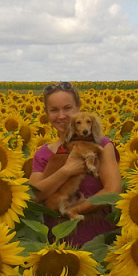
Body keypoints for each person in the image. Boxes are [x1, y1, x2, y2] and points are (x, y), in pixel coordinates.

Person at [29, 81, 121, 247]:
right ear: (47, 113)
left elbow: (113, 190)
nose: (62, 116)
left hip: (97, 242)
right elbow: (33, 196)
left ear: (78, 107)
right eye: (54, 110)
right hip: (58, 244)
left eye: (67, 108)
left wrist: (73, 211)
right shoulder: (43, 154)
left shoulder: (102, 146)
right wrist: (66, 171)